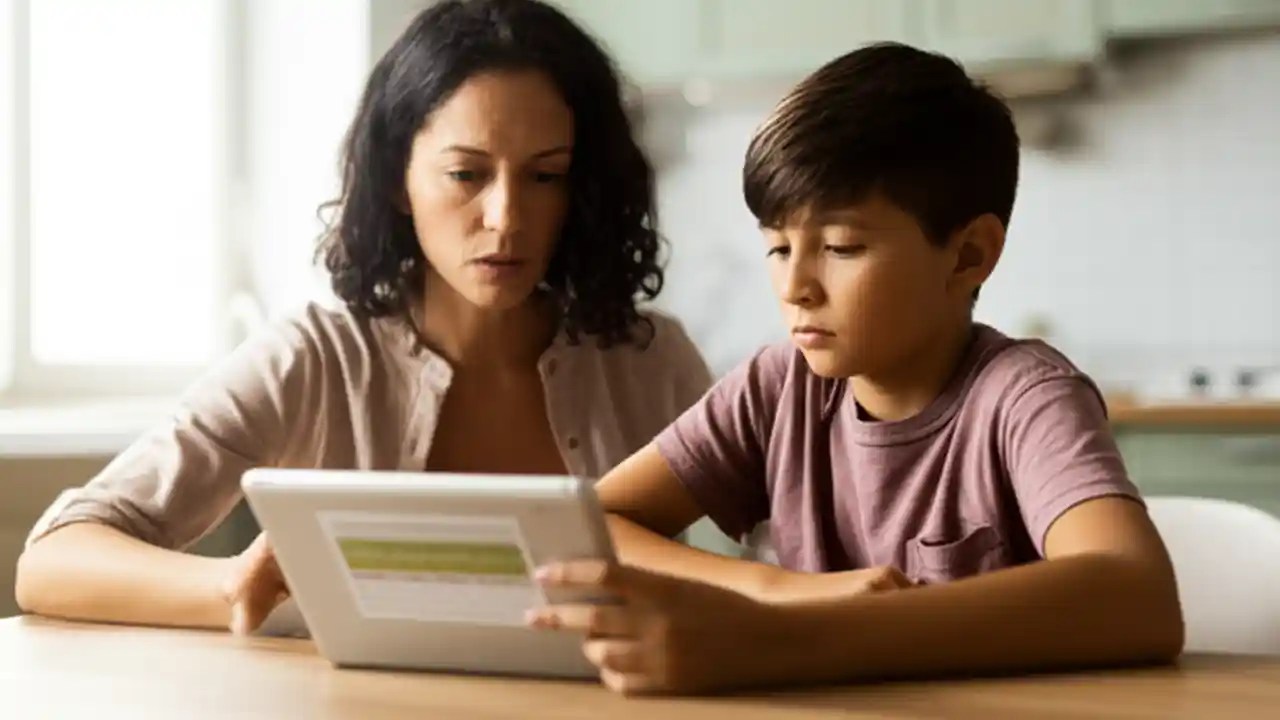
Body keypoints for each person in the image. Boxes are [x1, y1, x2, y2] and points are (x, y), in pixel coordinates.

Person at [15, 0, 710, 635]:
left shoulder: (653, 363)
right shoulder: (315, 358)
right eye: (467, 174)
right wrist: (234, 584)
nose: (506, 218)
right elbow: (52, 559)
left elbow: (790, 558)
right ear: (397, 182)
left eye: (545, 175)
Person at [528, 42, 1184, 695]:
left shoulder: (1023, 397)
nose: (796, 286)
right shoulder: (777, 386)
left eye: (842, 246)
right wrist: (778, 591)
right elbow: (591, 527)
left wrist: (786, 640)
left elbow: (1137, 592)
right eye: (779, 247)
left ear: (968, 257)